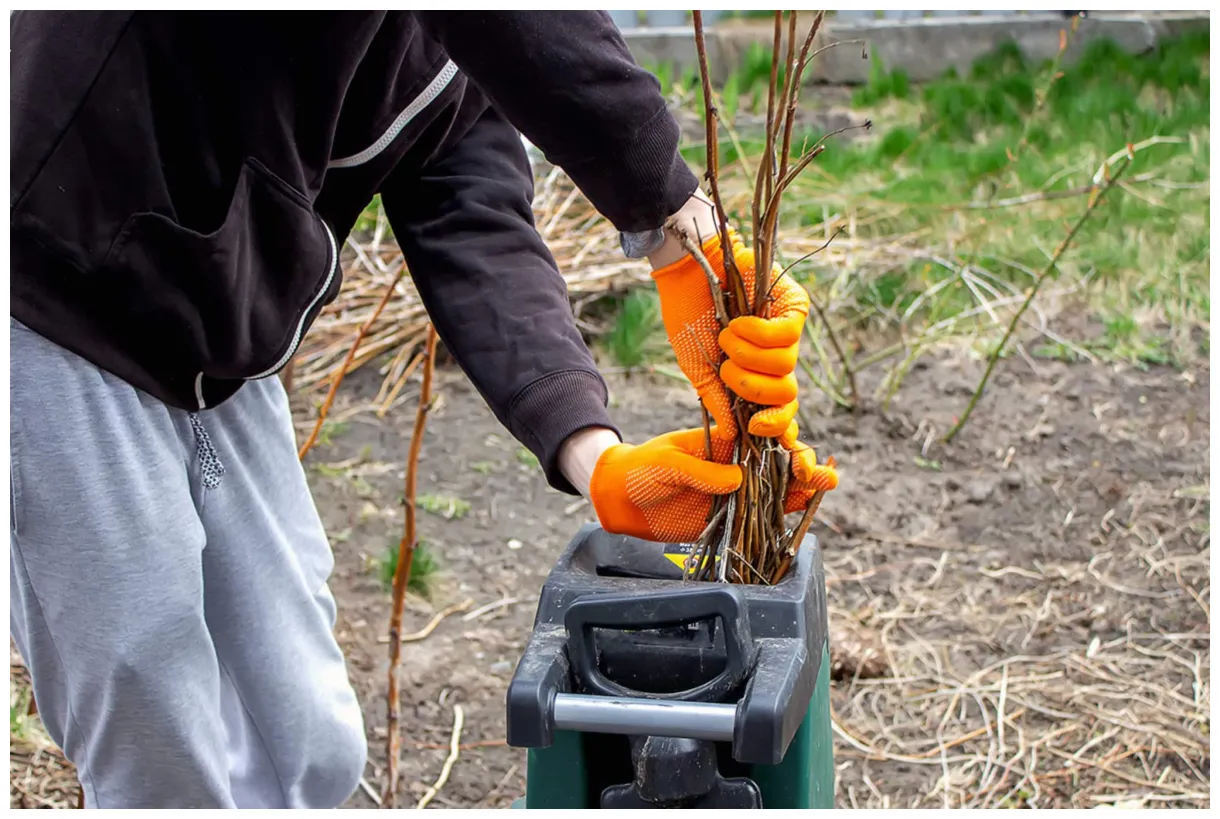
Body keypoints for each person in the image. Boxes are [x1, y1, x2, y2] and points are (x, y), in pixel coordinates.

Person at [9, 11, 837, 809]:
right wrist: (664, 204)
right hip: (50, 278)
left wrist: (598, 460)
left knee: (306, 737)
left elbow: (470, 215)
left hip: (214, 341)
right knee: (159, 740)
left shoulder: (438, 53)